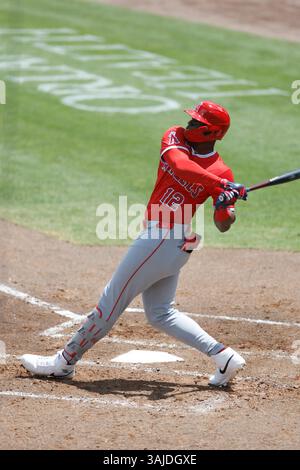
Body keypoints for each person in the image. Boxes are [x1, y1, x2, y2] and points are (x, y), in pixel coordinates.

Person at [21, 100, 247, 387]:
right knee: (161, 313)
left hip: (166, 238)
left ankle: (63, 363)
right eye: (191, 120)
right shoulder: (175, 136)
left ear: (213, 132)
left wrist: (227, 205)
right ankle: (224, 357)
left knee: (110, 302)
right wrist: (218, 186)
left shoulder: (223, 173)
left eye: (197, 123)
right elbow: (180, 165)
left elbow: (222, 223)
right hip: (167, 241)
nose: (189, 125)